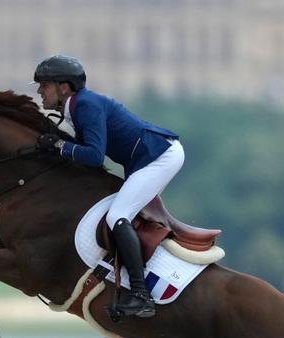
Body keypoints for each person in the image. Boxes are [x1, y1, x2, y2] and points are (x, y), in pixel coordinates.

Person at [32, 54, 184, 320]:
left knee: (117, 216)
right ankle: (140, 280)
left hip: (159, 156)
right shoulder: (76, 108)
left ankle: (141, 294)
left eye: (44, 85)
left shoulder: (85, 105)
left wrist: (58, 146)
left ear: (64, 87)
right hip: (148, 158)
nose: (39, 91)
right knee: (129, 217)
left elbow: (93, 156)